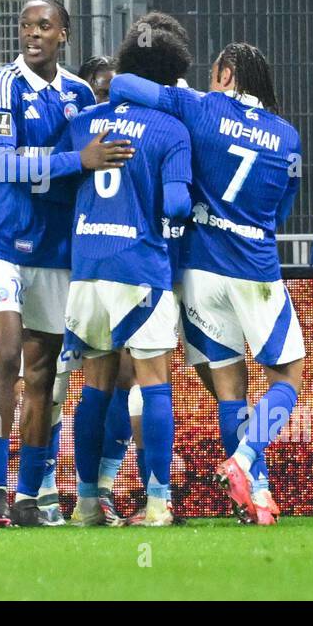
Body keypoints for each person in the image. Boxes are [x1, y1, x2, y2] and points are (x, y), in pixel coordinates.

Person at [110, 41, 304, 526]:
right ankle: (244, 462)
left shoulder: (199, 106)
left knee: (229, 390)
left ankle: (255, 496)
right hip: (254, 269)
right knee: (288, 377)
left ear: (225, 73)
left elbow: (122, 84)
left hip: (197, 270)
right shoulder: (287, 136)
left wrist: (179, 92)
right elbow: (282, 210)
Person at [0, 0, 134, 526]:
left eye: (43, 26)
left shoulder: (79, 94)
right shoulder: (2, 85)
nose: (31, 33)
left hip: (55, 249)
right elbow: (0, 160)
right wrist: (75, 159)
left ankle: (26, 498)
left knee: (42, 375)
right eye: (24, 25)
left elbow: (91, 169)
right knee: (6, 352)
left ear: (64, 34)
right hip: (0, 239)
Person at [65, 27, 192, 527]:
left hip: (86, 269)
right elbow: (179, 203)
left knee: (95, 388)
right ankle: (158, 503)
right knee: (153, 383)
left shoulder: (85, 122)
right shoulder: (170, 129)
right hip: (139, 268)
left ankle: (87, 502)